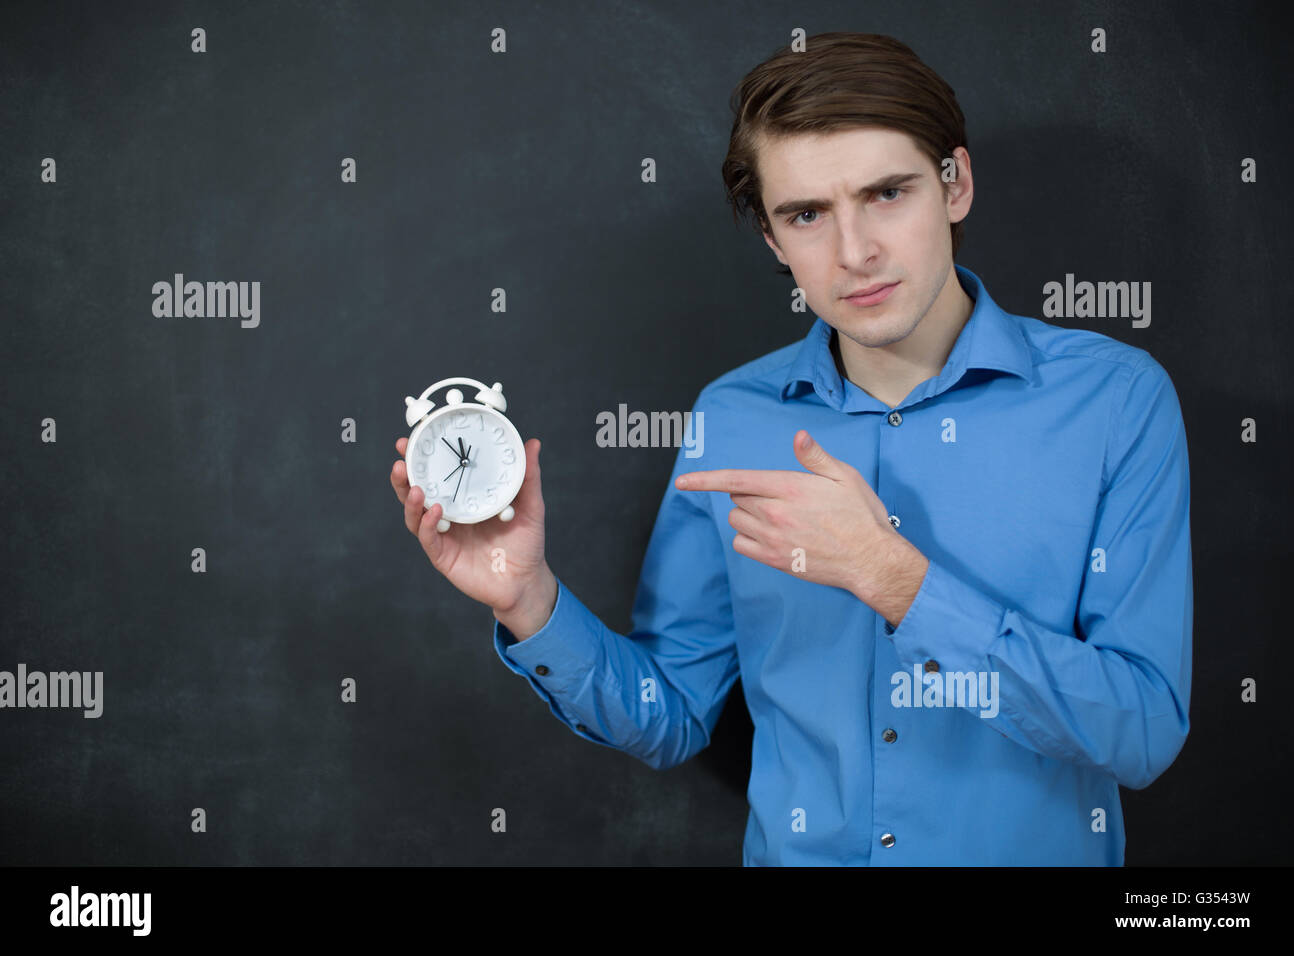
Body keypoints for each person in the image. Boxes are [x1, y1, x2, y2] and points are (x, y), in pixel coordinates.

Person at [389, 32, 1192, 866]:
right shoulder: (732, 416)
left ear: (955, 185)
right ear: (774, 241)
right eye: (807, 214)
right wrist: (529, 602)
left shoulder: (1115, 402)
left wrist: (894, 579)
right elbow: (671, 717)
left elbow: (1141, 732)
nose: (854, 253)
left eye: (887, 193)